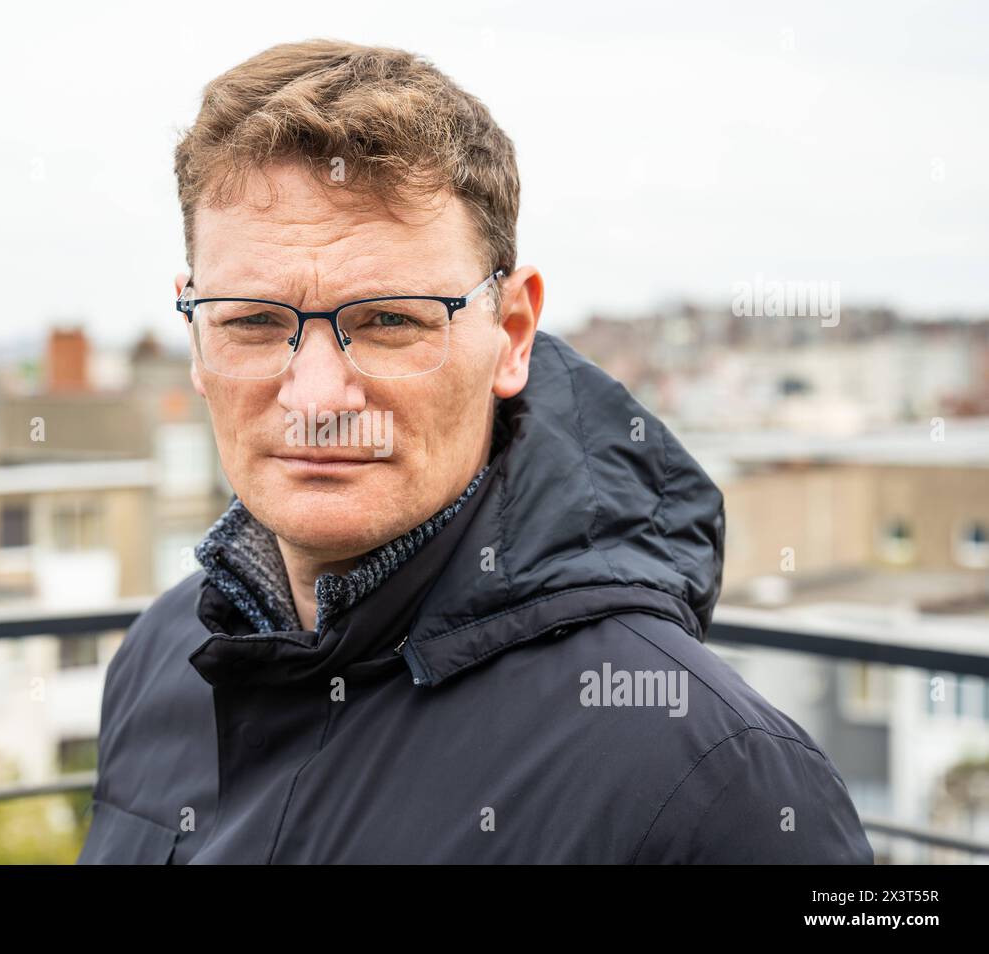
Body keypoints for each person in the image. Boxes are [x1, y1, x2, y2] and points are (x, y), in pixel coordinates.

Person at [78, 39, 874, 864]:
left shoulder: (714, 781)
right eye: (251, 320)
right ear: (194, 333)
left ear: (512, 335)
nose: (316, 399)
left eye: (390, 321)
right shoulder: (161, 657)